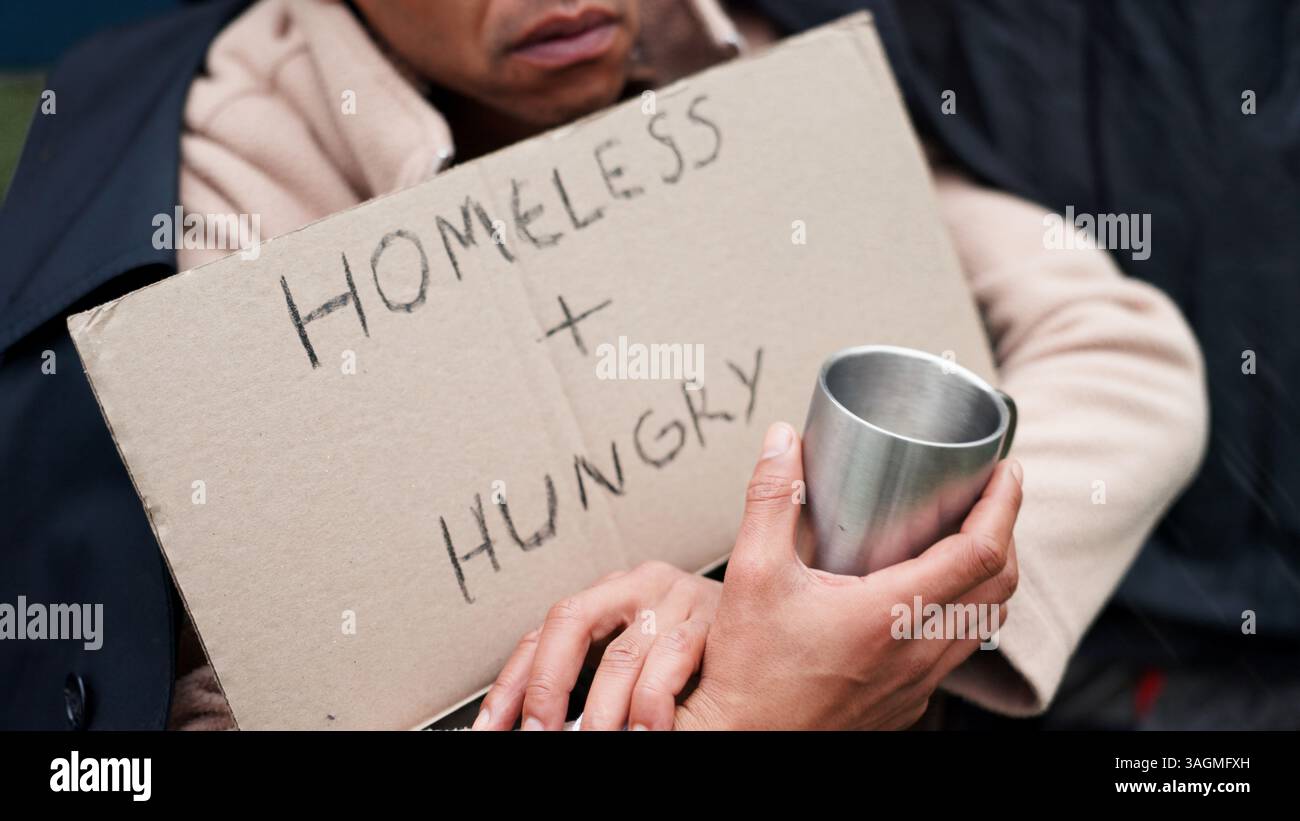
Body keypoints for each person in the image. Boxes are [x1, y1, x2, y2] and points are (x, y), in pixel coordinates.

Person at [0, 0, 1206, 730]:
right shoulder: (212, 193)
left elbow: (1119, 343)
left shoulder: (735, 60)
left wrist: (853, 603)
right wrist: (740, 705)